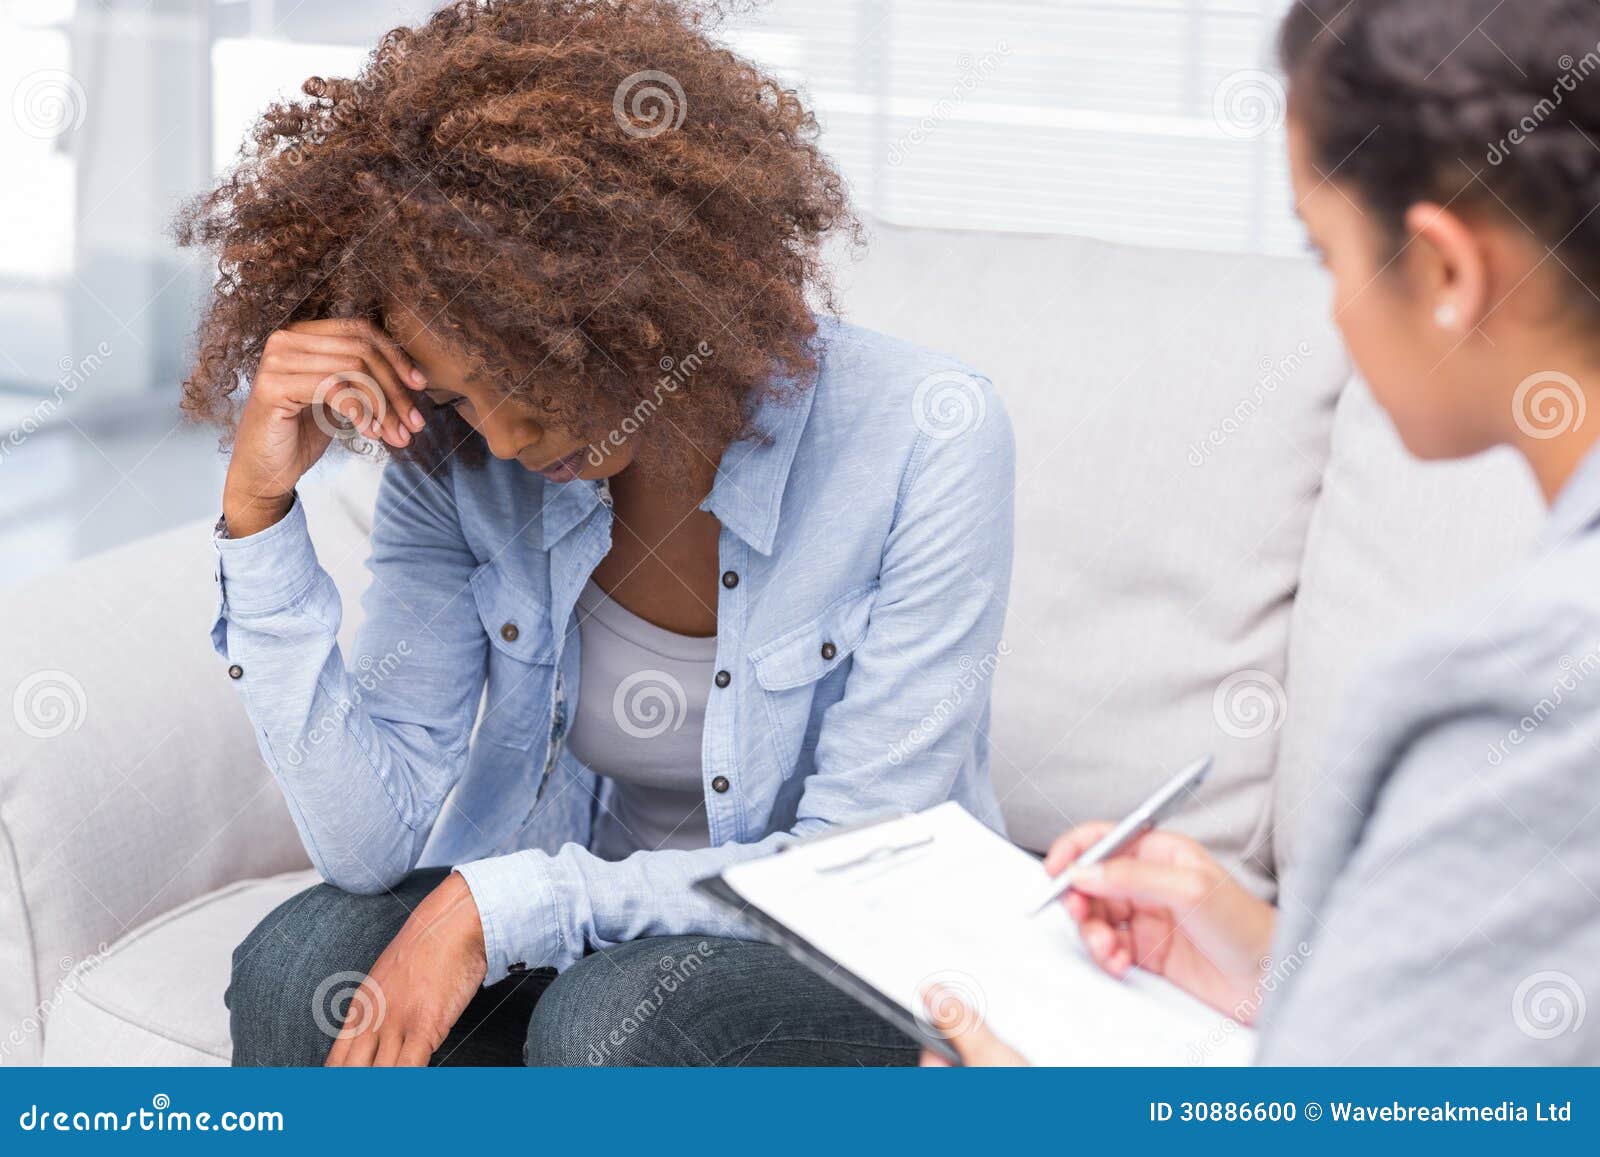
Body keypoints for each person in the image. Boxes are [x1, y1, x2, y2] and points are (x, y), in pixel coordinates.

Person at [181, 0, 1014, 1067]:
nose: (509, 434)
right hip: (574, 939)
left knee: (608, 1023)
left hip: (839, 947)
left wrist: (514, 901)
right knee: (304, 970)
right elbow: (368, 839)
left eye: (528, 376)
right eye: (463, 397)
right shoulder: (456, 458)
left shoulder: (926, 436)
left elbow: (847, 867)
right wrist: (258, 518)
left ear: (639, 297)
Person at [927, 0, 1600, 1065]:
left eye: (1323, 250)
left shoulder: (1514, 690)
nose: (1331, 309)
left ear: (1444, 272)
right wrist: (1278, 967)